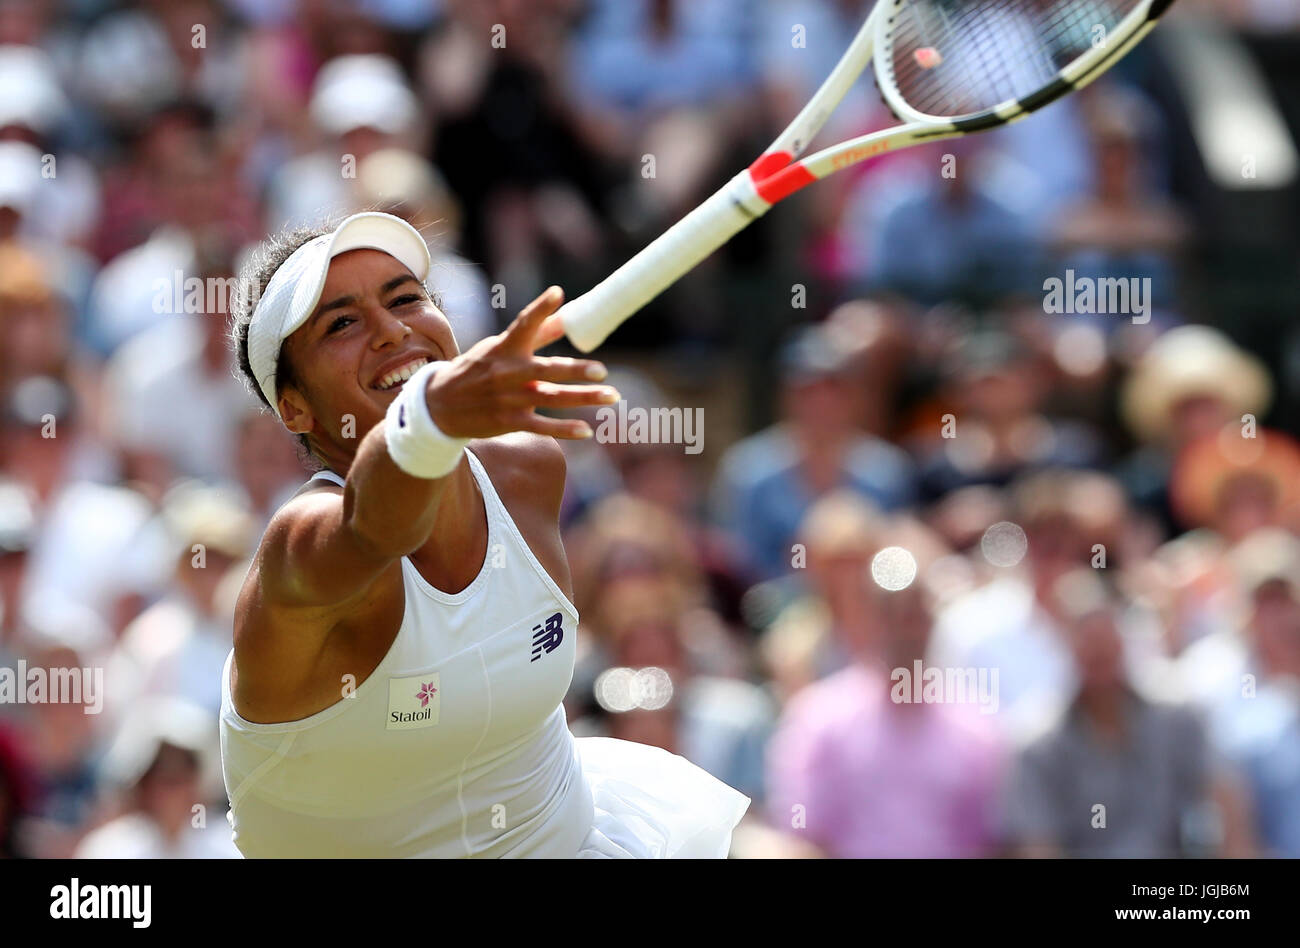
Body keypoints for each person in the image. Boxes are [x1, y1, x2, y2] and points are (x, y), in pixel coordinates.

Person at [220, 211, 749, 857]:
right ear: (294, 408)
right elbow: (377, 524)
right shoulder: (302, 546)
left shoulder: (526, 468)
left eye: (407, 298)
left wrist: (434, 420)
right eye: (342, 323)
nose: (392, 330)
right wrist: (432, 416)